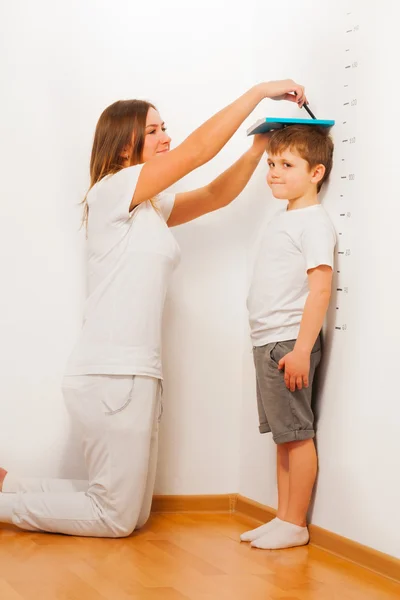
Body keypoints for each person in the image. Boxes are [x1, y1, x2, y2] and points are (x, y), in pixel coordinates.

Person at [0, 80, 307, 537]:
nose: (166, 138)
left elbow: (213, 196)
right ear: (123, 146)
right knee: (116, 518)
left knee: (134, 514)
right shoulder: (114, 190)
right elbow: (198, 152)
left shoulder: (148, 205)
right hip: (111, 375)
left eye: (166, 128)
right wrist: (259, 93)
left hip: (136, 375)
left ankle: (12, 487)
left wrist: (257, 148)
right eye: (153, 131)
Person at [241, 124, 336, 550]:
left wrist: (300, 349)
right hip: (268, 341)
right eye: (271, 164)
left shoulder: (314, 223)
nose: (274, 173)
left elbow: (320, 288)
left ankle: (296, 523)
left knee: (296, 433)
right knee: (284, 436)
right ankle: (283, 517)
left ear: (316, 172)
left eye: (286, 165)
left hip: (287, 344)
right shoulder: (287, 219)